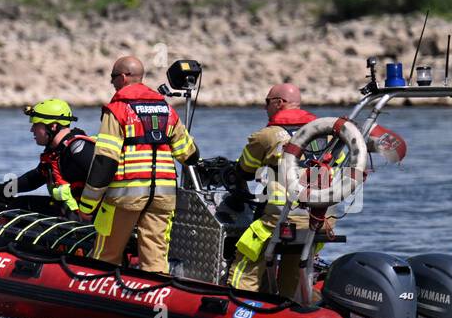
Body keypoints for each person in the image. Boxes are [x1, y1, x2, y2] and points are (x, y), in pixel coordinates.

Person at [77, 56, 199, 273]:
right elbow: (189, 155)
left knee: (106, 256)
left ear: (123, 77)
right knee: (155, 260)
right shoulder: (166, 109)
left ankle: (98, 300)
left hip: (125, 195)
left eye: (113, 77)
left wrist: (87, 204)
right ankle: (153, 300)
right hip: (163, 196)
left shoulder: (118, 109)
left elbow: (105, 160)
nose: (112, 83)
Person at [225, 83, 336, 297]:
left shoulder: (269, 135)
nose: (264, 108)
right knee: (294, 258)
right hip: (322, 218)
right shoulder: (327, 133)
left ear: (279, 103)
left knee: (249, 251)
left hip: (282, 216)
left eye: (267, 102)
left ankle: (236, 302)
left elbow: (245, 169)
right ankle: (290, 305)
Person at [0, 99, 96, 215]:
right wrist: (6, 189)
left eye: (36, 125)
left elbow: (102, 178)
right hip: (69, 210)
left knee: (17, 208)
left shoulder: (78, 149)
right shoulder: (56, 152)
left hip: (87, 216)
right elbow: (35, 178)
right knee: (17, 205)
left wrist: (87, 212)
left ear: (53, 126)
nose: (32, 130)